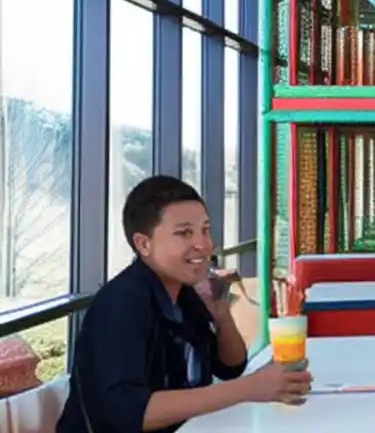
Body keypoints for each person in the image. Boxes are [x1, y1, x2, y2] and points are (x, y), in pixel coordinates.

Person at [58, 176, 312, 433]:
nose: (204, 245)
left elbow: (230, 367)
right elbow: (126, 413)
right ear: (144, 244)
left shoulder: (184, 294)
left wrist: (221, 313)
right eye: (184, 233)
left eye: (205, 230)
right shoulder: (122, 304)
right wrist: (249, 388)